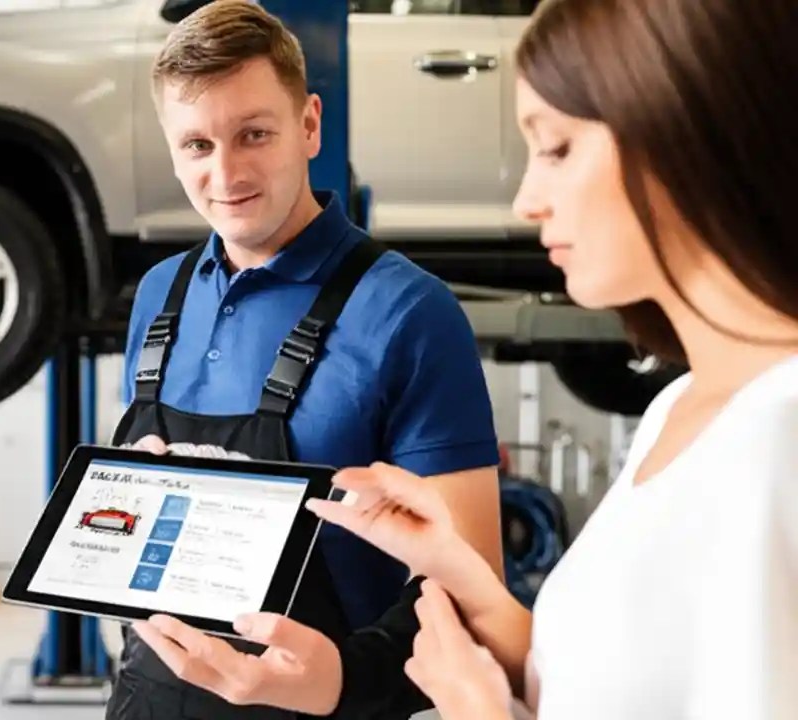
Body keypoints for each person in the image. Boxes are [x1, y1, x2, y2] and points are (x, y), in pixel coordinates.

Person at [130, 0, 798, 717]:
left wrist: (388, 687)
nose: (528, 197)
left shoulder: (775, 434)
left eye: (558, 148)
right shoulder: (677, 410)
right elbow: (585, 678)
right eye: (196, 145)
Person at [106, 2, 506, 719]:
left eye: (253, 134)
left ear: (310, 125)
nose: (225, 172)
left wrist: (341, 681)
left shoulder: (409, 314)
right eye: (197, 145)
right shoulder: (158, 296)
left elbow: (474, 589)